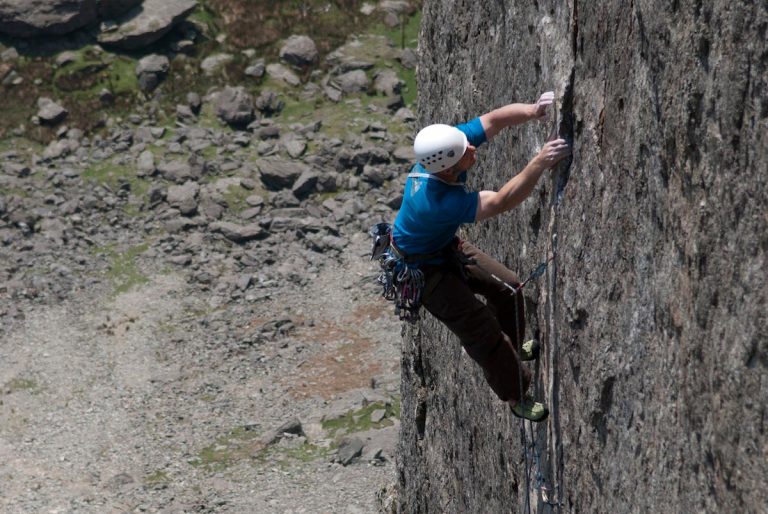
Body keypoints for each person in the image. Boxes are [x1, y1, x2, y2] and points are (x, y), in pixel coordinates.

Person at [376, 92, 571, 422]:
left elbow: (493, 120)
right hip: (425, 276)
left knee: (509, 287)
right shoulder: (435, 201)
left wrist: (532, 110)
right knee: (483, 331)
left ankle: (516, 346)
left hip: (440, 248)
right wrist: (540, 162)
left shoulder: (445, 149)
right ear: (449, 169)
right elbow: (499, 203)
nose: (471, 148)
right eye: (464, 152)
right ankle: (515, 395)